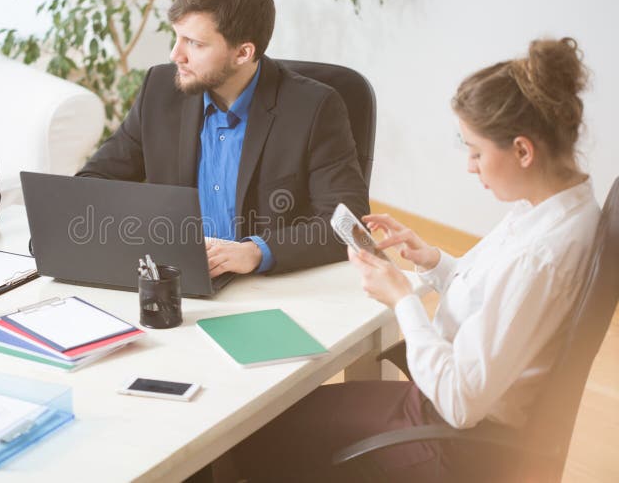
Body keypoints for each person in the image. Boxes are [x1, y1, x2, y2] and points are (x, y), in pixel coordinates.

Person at [210, 37, 600, 482]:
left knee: (252, 434)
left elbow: (460, 402)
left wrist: (403, 301)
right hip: (445, 410)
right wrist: (434, 261)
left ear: (523, 151)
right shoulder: (559, 209)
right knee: (278, 420)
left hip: (450, 439)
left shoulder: (539, 257)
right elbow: (497, 296)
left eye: (476, 151)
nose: (470, 166)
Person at [77, 0, 369, 277]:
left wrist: (256, 251)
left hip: (267, 285)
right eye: (177, 37)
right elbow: (92, 182)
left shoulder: (313, 108)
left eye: (195, 43)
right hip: (178, 278)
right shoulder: (160, 90)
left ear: (243, 53)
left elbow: (349, 224)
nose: (176, 55)